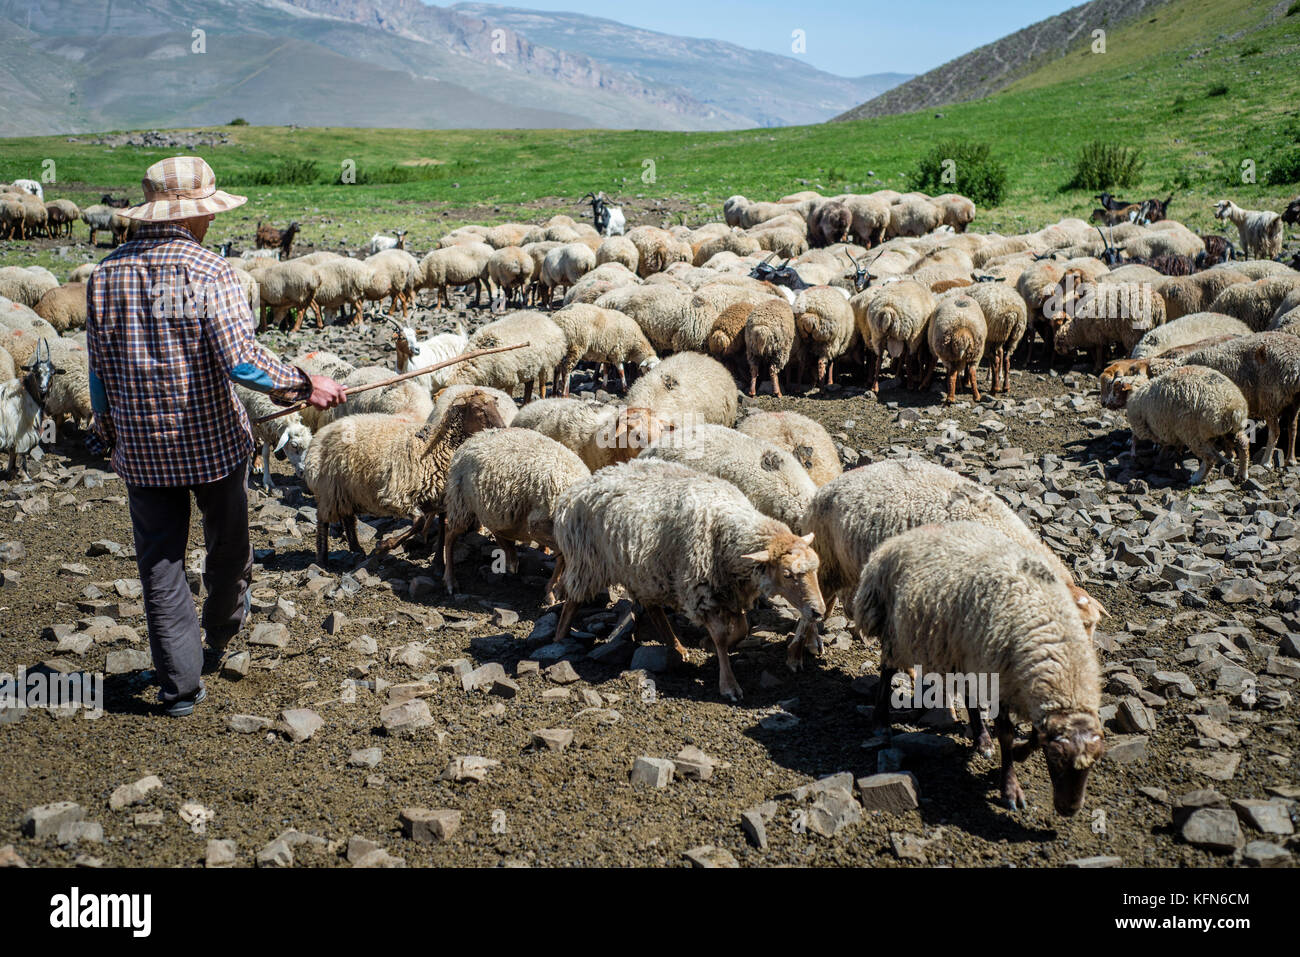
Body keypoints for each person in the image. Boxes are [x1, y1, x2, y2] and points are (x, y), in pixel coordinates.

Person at [85, 156, 346, 717]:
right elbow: (241, 360)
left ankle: (179, 689)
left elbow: (98, 368)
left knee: (161, 563)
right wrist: (304, 383)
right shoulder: (213, 273)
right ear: (194, 216)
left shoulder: (104, 276)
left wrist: (108, 430)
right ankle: (222, 629)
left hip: (142, 446)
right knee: (228, 543)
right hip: (211, 443)